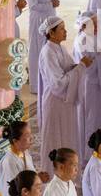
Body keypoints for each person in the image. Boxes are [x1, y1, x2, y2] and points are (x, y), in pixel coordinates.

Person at [38, 16, 91, 161]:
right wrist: (80, 67)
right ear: (52, 33)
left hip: (66, 102)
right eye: (62, 29)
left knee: (68, 136)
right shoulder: (47, 52)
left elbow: (68, 69)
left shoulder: (60, 48)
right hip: (55, 101)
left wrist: (79, 66)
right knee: (55, 138)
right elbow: (57, 83)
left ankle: (69, 175)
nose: (65, 31)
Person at [74, 11, 101, 161]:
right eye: (94, 24)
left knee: (100, 117)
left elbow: (100, 57)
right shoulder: (83, 40)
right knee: (91, 118)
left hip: (99, 86)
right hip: (89, 86)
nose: (97, 27)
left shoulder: (93, 38)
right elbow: (87, 66)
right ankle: (90, 153)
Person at [23, 0, 59, 104]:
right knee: (38, 50)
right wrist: (51, 4)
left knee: (46, 50)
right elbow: (32, 6)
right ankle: (37, 84)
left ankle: (46, 79)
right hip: (39, 21)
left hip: (46, 19)